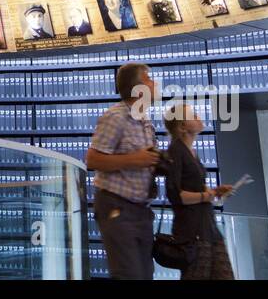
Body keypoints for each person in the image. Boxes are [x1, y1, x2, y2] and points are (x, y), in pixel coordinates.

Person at [87, 62, 160, 279]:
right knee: (129, 274)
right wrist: (135, 159)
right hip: (117, 207)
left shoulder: (145, 120)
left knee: (145, 274)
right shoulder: (116, 117)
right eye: (149, 79)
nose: (155, 83)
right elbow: (93, 159)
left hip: (141, 211)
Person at [164, 101, 235, 279]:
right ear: (182, 126)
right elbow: (176, 195)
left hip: (207, 226)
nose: (199, 118)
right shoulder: (175, 151)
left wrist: (215, 192)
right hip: (193, 231)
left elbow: (194, 186)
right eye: (193, 116)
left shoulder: (192, 152)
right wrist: (206, 195)